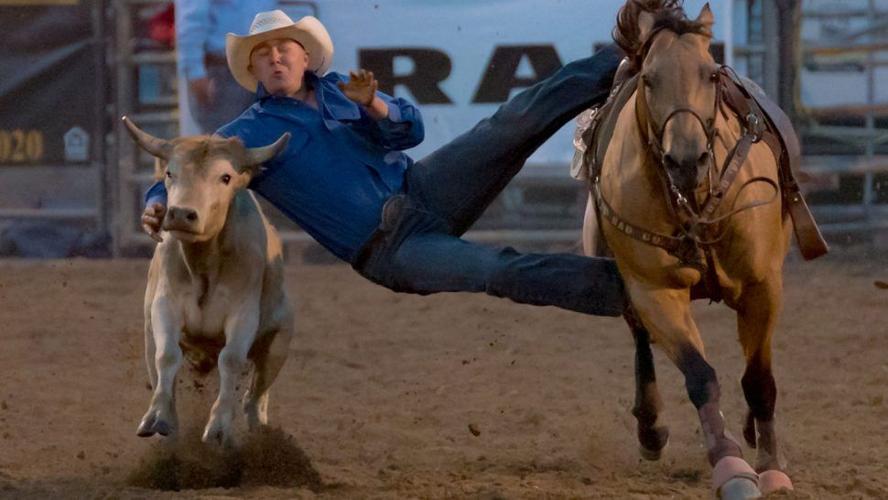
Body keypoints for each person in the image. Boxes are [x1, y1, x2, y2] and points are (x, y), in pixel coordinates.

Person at [143, 10, 628, 317]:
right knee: (499, 270)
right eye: (263, 55)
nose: (274, 60)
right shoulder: (246, 132)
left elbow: (409, 130)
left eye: (283, 50)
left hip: (423, 189)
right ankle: (632, 292)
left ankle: (625, 52)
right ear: (253, 70)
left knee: (509, 123)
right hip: (389, 248)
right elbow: (193, 164)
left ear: (303, 57)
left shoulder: (339, 90)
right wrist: (157, 200)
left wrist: (374, 104)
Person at [175, 0, 278, 132]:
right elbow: (192, 19)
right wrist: (195, 71)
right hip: (223, 70)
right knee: (225, 142)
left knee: (262, 139)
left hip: (264, 66)